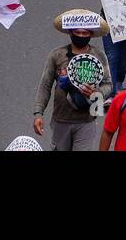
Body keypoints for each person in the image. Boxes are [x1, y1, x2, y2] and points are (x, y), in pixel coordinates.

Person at [33, 10, 113, 151]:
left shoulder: (99, 56)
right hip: (61, 119)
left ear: (91, 34)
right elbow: (45, 85)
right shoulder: (56, 55)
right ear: (70, 32)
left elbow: (108, 85)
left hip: (87, 120)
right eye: (77, 32)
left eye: (85, 33)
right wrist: (38, 113)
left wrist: (96, 92)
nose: (81, 36)